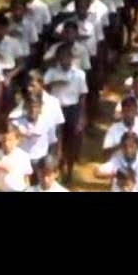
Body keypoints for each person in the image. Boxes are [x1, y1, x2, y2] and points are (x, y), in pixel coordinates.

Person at [44, 41, 89, 182]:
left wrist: (81, 116)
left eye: (68, 56)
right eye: (62, 56)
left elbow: (83, 95)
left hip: (72, 109)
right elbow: (44, 89)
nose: (65, 59)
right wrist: (54, 84)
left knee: (71, 142)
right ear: (58, 58)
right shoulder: (51, 73)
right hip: (56, 110)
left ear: (72, 57)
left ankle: (69, 170)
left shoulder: (80, 74)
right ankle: (55, 171)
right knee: (55, 142)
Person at [0, 126, 34, 192]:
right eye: (4, 140)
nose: (6, 144)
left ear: (17, 140)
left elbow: (26, 177)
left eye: (10, 140)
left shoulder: (23, 156)